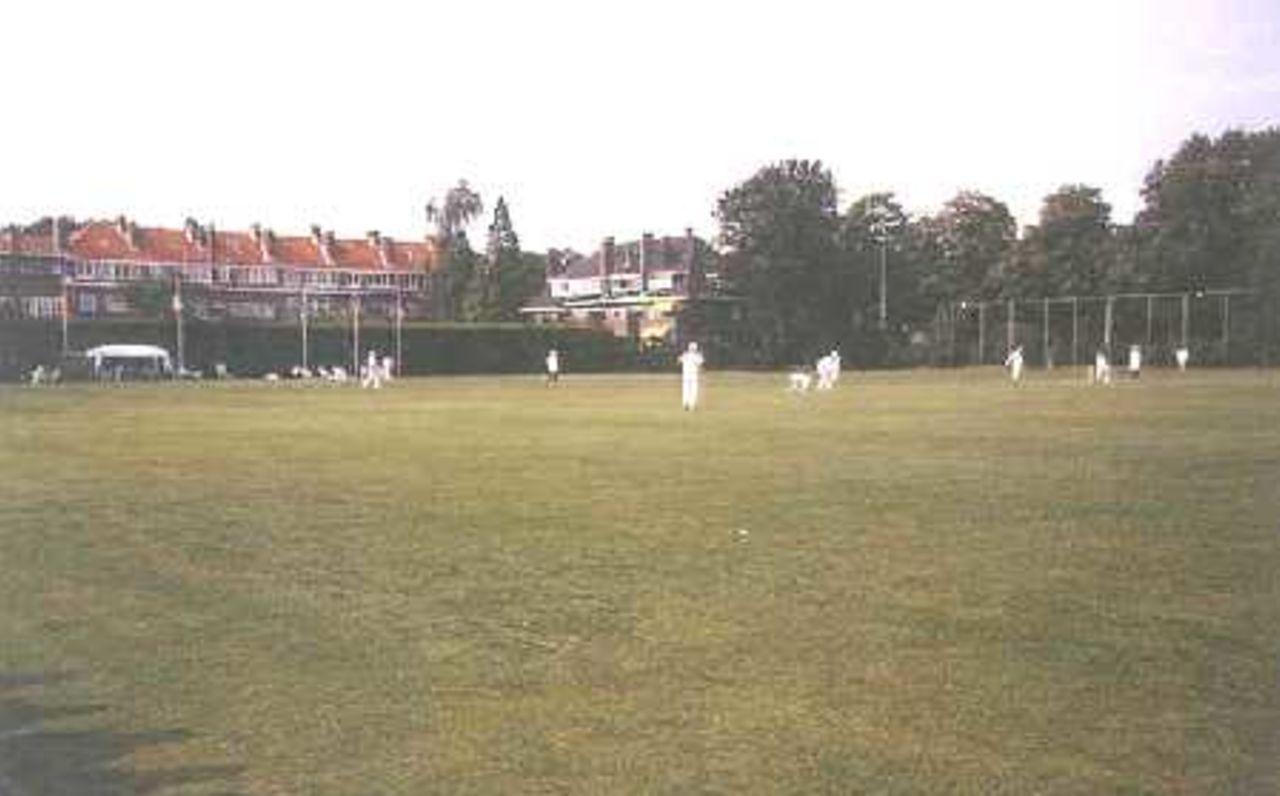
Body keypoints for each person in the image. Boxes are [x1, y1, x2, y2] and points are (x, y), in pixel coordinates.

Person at [678, 341, 704, 410]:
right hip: (693, 376)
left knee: (686, 390)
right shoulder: (697, 356)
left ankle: (685, 404)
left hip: (685, 376)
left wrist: (683, 356)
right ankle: (692, 405)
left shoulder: (685, 355)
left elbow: (679, 360)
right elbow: (701, 364)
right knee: (693, 391)